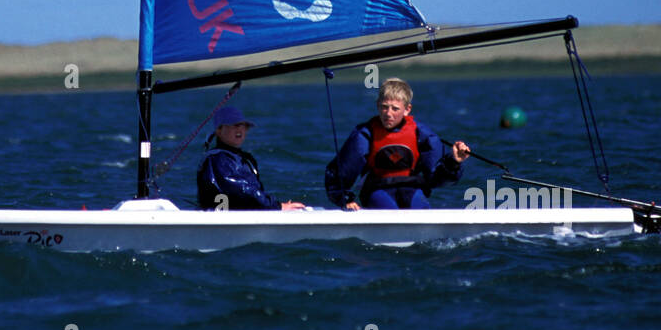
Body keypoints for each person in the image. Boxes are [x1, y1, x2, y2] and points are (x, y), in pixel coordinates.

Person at [324, 77, 471, 210]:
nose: (388, 113)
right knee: (389, 209)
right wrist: (344, 199)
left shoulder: (423, 134)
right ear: (377, 106)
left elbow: (436, 179)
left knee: (419, 207)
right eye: (384, 107)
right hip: (377, 190)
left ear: (407, 109)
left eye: (395, 109)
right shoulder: (365, 134)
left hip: (412, 189)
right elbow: (340, 172)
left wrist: (453, 162)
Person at [196, 106, 307, 211]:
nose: (240, 129)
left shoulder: (245, 158)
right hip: (222, 222)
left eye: (243, 125)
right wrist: (277, 206)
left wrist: (273, 205)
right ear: (219, 130)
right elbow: (242, 191)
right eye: (234, 125)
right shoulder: (218, 159)